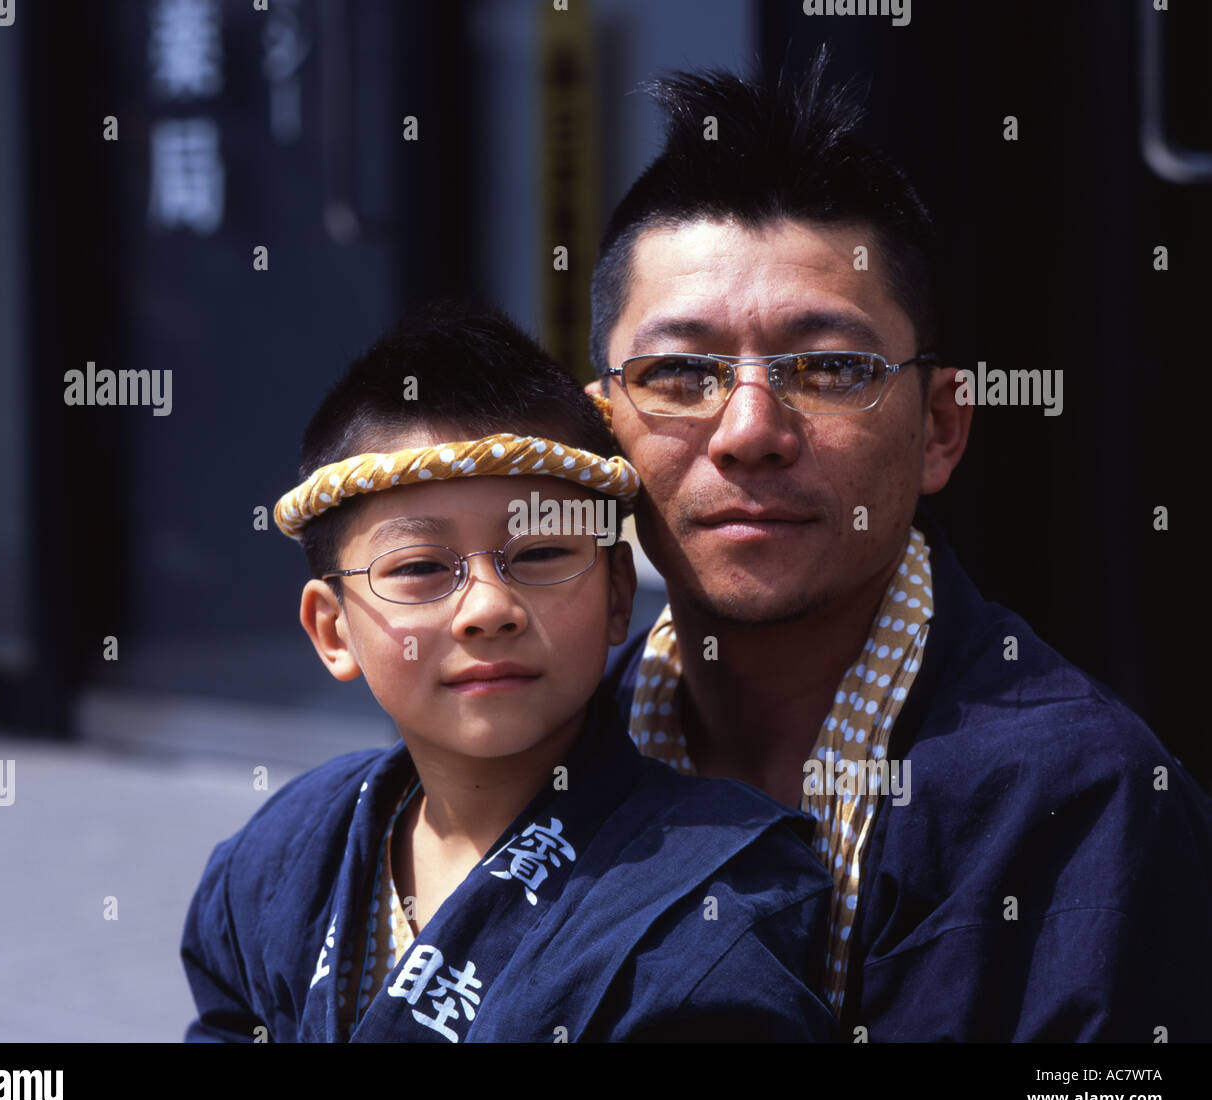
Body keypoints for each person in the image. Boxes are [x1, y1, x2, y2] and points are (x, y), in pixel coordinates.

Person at [585, 57, 1212, 1041]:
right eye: (678, 371)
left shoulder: (1088, 808)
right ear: (602, 433)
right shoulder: (549, 748)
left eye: (830, 366)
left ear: (940, 429)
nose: (749, 428)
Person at [180, 300, 838, 1043]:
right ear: (332, 630)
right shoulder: (279, 861)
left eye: (541, 554)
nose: (488, 609)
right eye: (422, 567)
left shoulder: (718, 902)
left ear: (618, 592)